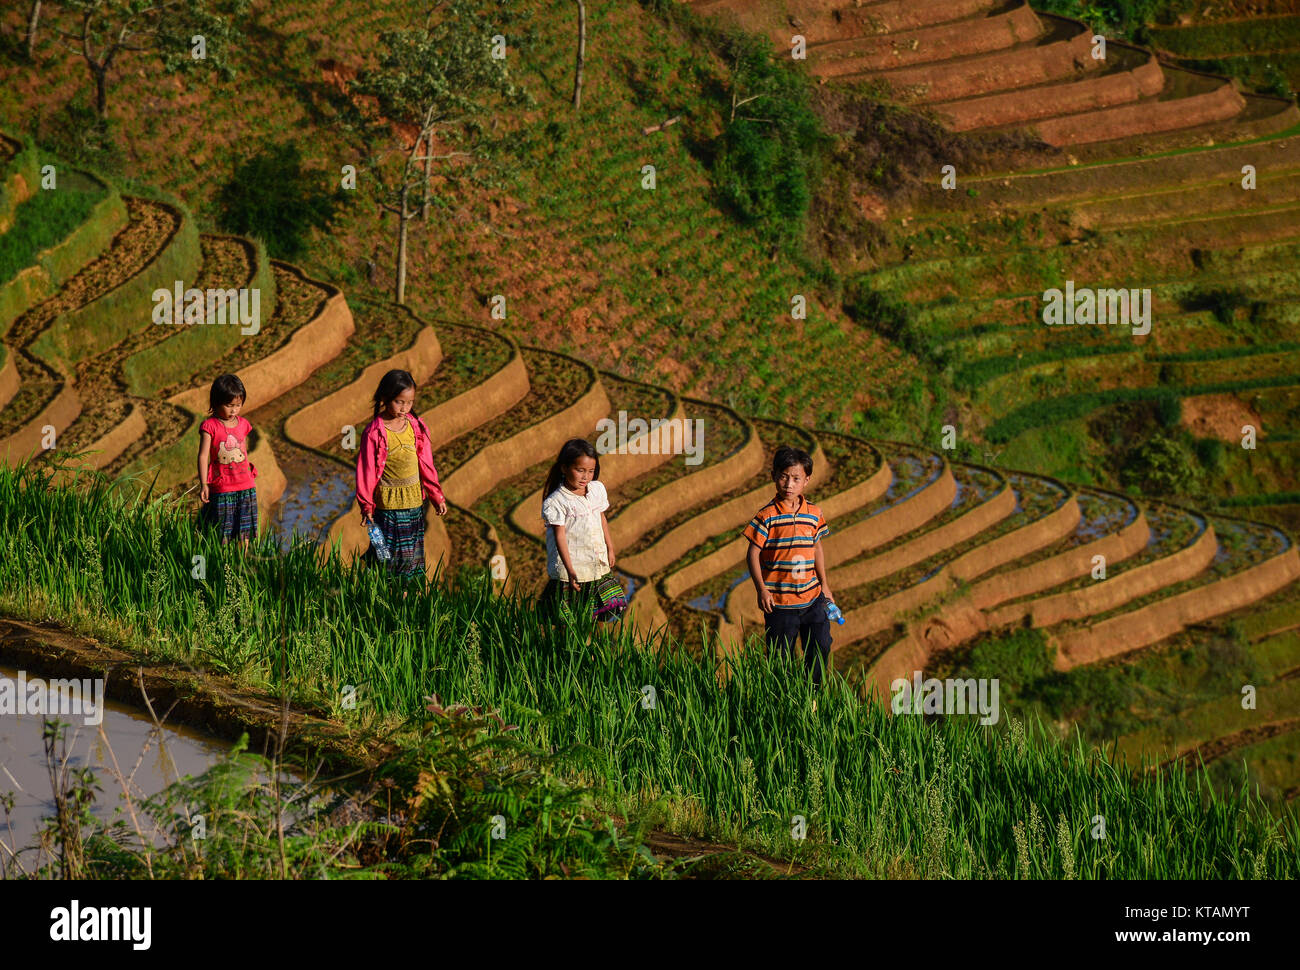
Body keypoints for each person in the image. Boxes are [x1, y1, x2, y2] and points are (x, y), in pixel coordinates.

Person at [741, 445, 835, 694]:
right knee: (780, 660)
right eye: (783, 476)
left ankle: (812, 700)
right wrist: (761, 590)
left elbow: (817, 548)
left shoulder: (814, 514)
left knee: (821, 646)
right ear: (774, 476)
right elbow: (753, 553)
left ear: (807, 480)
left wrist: (825, 585)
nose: (789, 484)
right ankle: (781, 702)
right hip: (780, 604)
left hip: (812, 599)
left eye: (795, 478)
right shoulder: (766, 516)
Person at [355, 369, 448, 581]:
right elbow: (366, 471)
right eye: (399, 402)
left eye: (409, 402)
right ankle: (385, 595)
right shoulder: (375, 432)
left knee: (411, 557)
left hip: (414, 503)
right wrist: (366, 506)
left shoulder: (416, 427)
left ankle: (405, 599)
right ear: (385, 398)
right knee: (387, 556)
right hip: (388, 505)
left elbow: (426, 464)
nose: (404, 408)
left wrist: (436, 495)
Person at [539, 438, 627, 627]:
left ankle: (592, 649)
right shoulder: (557, 502)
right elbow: (559, 535)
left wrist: (610, 548)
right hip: (573, 567)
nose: (585, 476)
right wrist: (570, 569)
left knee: (595, 615)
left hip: (595, 561)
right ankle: (569, 652)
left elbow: (601, 518)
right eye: (580, 470)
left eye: (590, 471)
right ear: (564, 468)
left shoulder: (596, 490)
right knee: (568, 621)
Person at [197, 374, 259, 545]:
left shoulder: (244, 424)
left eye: (238, 405)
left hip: (246, 486)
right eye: (229, 405)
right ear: (216, 402)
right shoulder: (209, 427)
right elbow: (203, 456)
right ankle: (224, 566)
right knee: (222, 533)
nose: (234, 410)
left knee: (244, 532)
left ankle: (242, 565)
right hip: (223, 487)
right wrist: (204, 483)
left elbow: (242, 453)